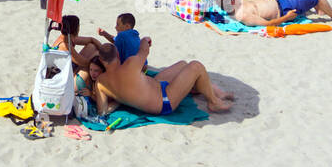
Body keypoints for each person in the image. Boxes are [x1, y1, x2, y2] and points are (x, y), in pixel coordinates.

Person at [92, 37, 233, 115]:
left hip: (155, 86)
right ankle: (213, 102)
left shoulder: (100, 82)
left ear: (102, 61)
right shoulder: (129, 65)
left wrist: (120, 100)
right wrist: (145, 40)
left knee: (183, 65)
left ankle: (214, 91)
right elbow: (144, 51)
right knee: (196, 66)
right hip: (164, 101)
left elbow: (102, 111)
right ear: (117, 55)